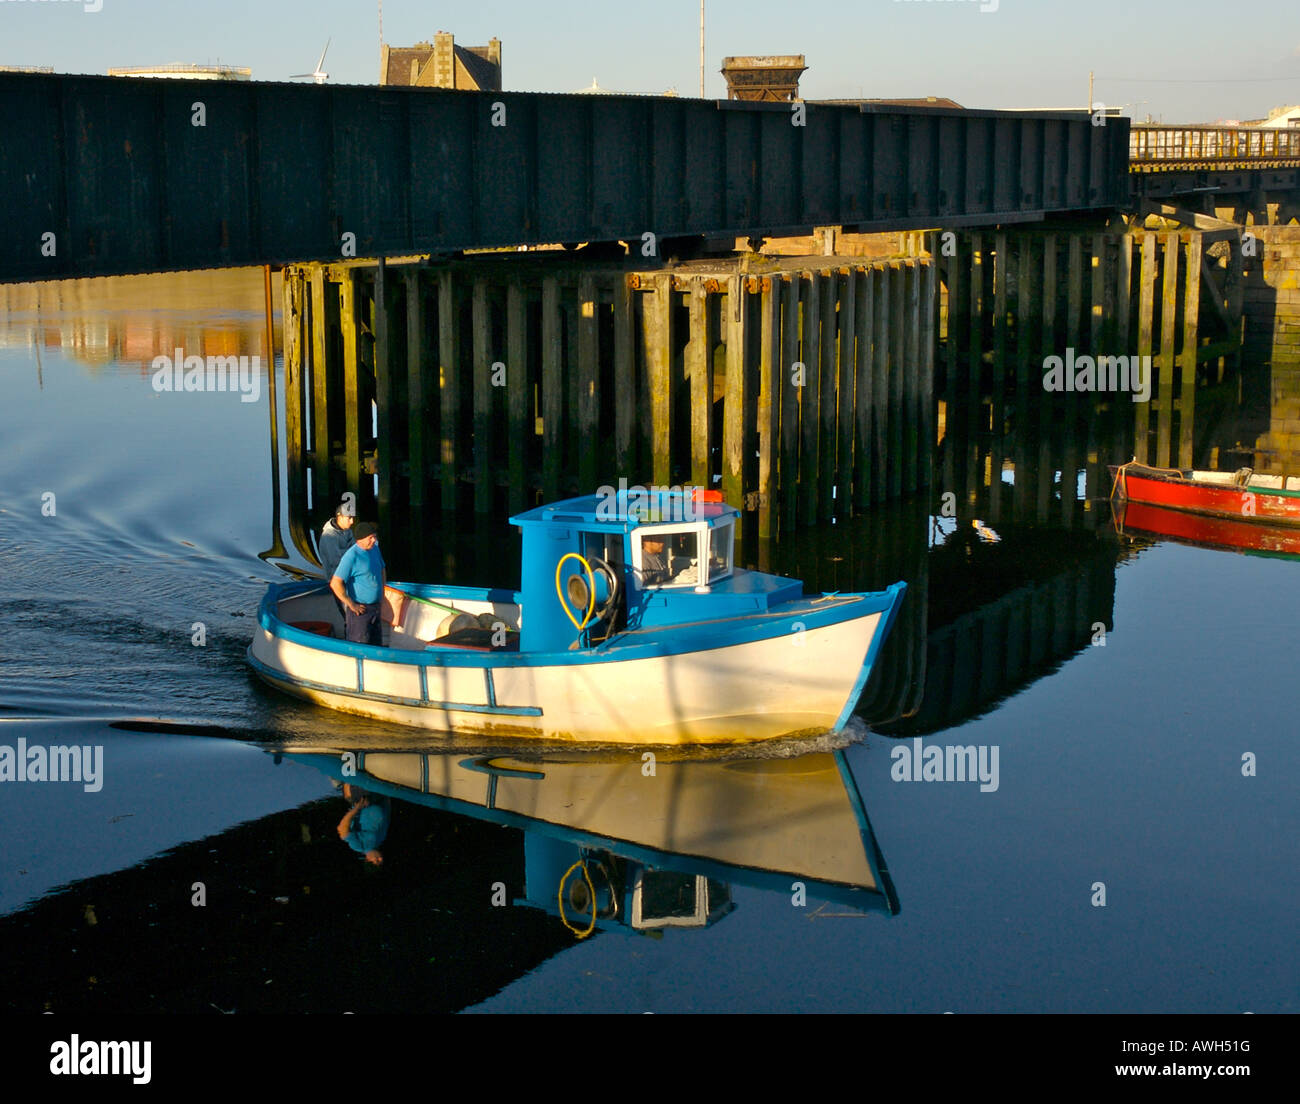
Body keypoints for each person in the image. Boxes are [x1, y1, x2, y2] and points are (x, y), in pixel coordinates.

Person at [330, 521, 386, 645]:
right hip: (360, 611)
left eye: (374, 536)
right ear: (359, 540)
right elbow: (335, 583)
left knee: (376, 644)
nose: (374, 540)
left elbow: (382, 569)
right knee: (359, 644)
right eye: (370, 538)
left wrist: (383, 592)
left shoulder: (375, 549)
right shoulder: (351, 557)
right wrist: (351, 604)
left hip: (376, 607)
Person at [336, 784, 389, 865]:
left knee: (359, 782)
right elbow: (386, 815)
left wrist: (357, 807)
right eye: (381, 860)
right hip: (379, 797)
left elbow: (342, 829)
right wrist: (387, 796)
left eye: (377, 860)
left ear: (367, 859)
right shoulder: (380, 840)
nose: (380, 857)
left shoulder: (359, 846)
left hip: (363, 798)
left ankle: (347, 781)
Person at [318, 501, 355, 579]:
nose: (352, 522)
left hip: (350, 576)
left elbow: (356, 551)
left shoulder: (348, 531)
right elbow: (335, 561)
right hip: (335, 580)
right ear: (340, 517)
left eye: (353, 518)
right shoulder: (328, 535)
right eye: (349, 518)